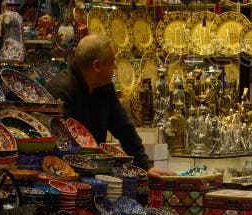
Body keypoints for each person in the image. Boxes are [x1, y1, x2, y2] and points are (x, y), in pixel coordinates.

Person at [47, 34, 175, 178]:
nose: (114, 68)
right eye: (112, 63)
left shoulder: (104, 89)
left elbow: (125, 129)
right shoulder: (60, 90)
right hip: (62, 174)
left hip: (91, 172)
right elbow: (60, 144)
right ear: (97, 66)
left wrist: (144, 167)